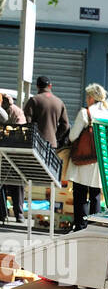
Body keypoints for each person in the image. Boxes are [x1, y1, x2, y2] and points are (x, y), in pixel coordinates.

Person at [68, 83, 108, 230]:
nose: (86, 99)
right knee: (95, 195)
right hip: (100, 161)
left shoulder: (85, 113)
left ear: (92, 98)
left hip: (83, 160)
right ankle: (94, 227)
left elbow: (73, 136)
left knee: (80, 193)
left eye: (88, 96)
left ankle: (80, 226)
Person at [1, 92, 26, 221]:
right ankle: (15, 214)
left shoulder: (14, 111)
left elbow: (20, 130)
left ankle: (16, 213)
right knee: (15, 183)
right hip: (12, 151)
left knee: (15, 182)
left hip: (14, 151)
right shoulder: (15, 111)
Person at [24, 76, 69, 149]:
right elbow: (65, 125)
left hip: (35, 144)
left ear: (37, 86)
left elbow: (27, 121)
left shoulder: (34, 100)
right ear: (50, 86)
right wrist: (55, 136)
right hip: (51, 144)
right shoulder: (59, 102)